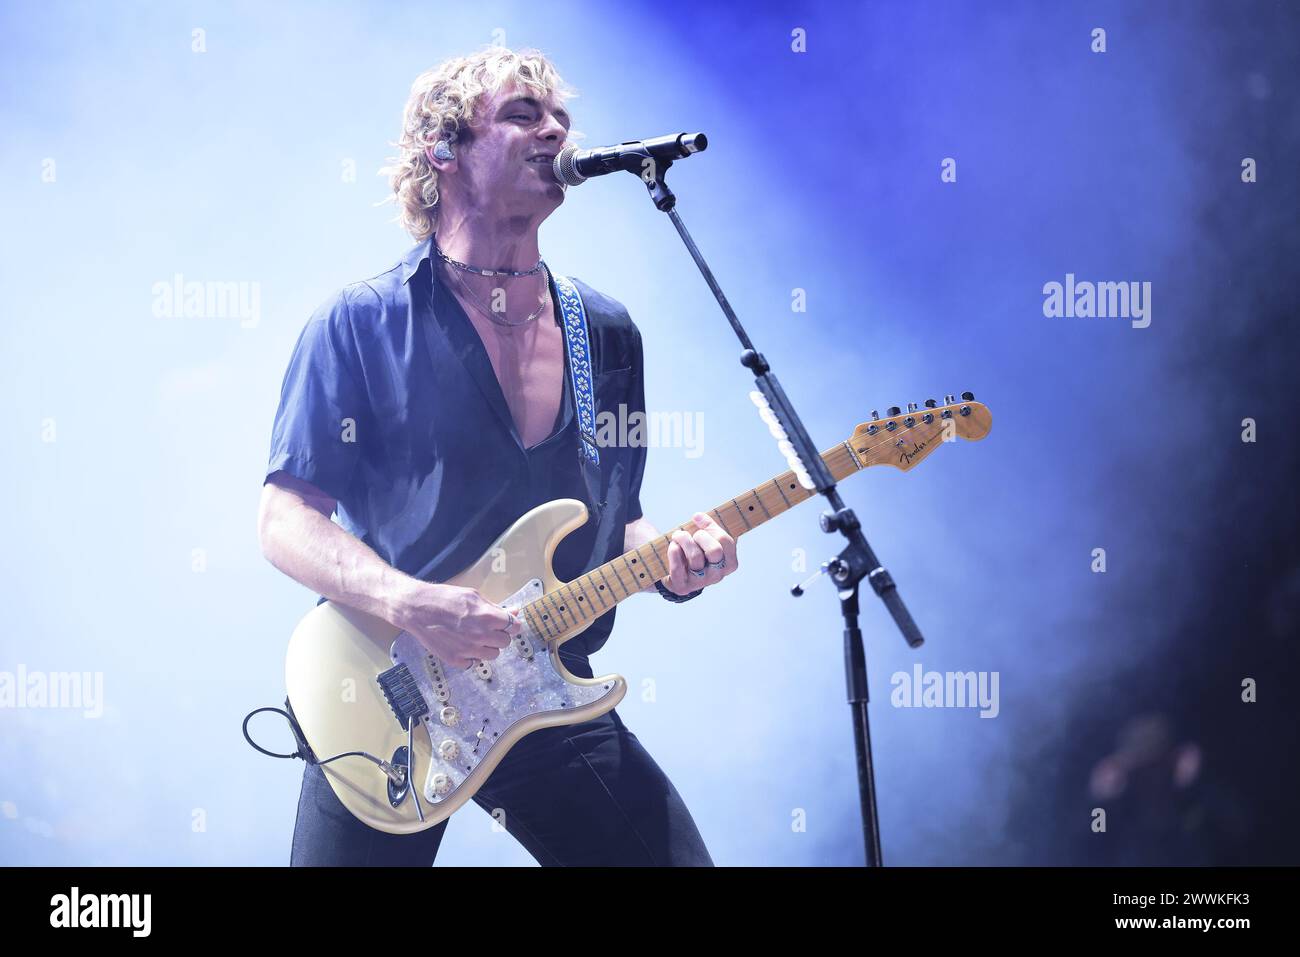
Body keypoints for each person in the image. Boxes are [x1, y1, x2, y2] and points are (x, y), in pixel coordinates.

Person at [258, 46, 738, 866]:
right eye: (523, 114)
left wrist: (675, 556)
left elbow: (614, 519)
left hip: (548, 689)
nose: (555, 129)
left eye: (561, 117)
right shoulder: (361, 323)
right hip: (391, 696)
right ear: (442, 151)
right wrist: (408, 600)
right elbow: (284, 518)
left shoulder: (607, 331)